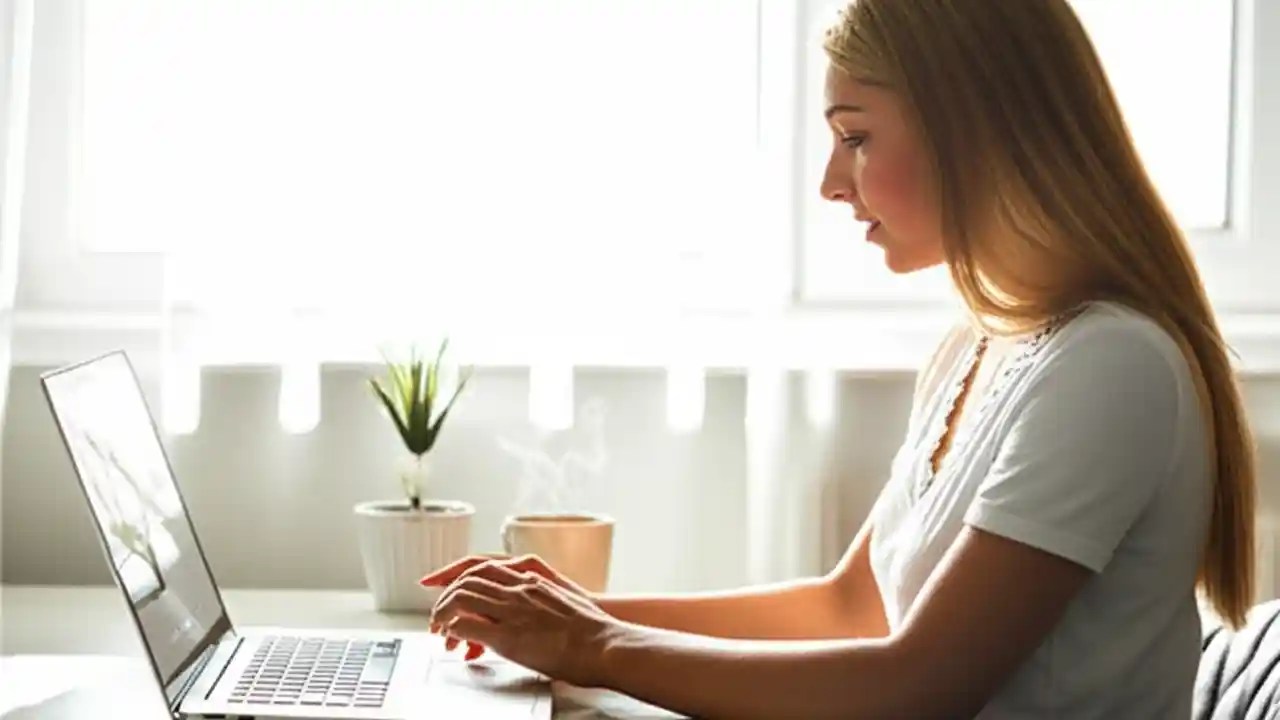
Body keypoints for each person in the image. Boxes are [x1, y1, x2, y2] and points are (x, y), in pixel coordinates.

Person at [421, 1, 1258, 717]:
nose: (830, 180)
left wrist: (594, 644)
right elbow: (850, 606)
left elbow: (919, 686)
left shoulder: (1110, 365)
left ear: (975, 129)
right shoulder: (979, 345)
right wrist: (571, 614)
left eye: (855, 137)